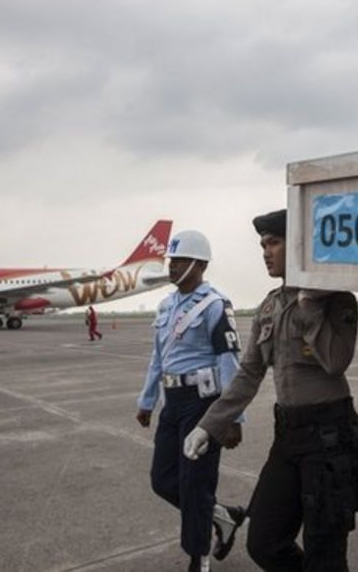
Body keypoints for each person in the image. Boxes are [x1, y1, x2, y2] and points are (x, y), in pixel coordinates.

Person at [184, 209, 358, 572]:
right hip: (289, 434)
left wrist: (308, 305)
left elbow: (336, 362)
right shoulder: (270, 305)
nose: (265, 251)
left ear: (299, 245)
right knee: (264, 542)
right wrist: (208, 426)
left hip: (329, 436)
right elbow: (248, 373)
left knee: (325, 551)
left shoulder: (336, 300)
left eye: (273, 242)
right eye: (262, 244)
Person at [135, 230, 245, 572]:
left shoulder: (215, 305)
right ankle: (221, 515)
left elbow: (229, 362)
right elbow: (158, 358)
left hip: (204, 405)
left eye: (179, 260)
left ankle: (199, 558)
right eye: (171, 260)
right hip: (173, 401)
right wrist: (147, 400)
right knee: (163, 479)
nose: (172, 266)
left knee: (195, 483)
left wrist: (232, 419)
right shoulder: (166, 305)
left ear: (199, 264)